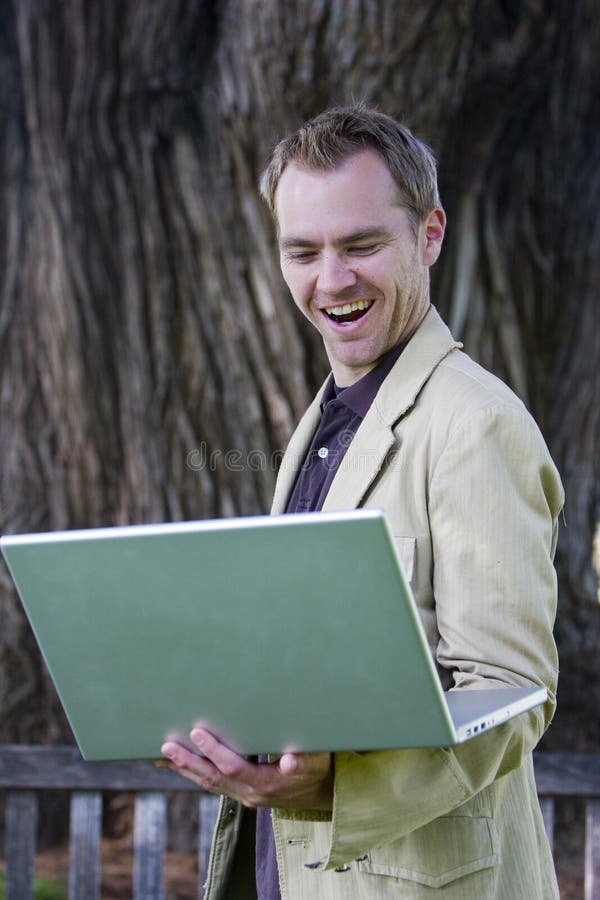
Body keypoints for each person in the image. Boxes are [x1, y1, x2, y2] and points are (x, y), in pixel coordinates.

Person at [160, 105, 564, 899]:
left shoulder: (477, 423)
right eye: (303, 251)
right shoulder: (323, 423)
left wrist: (335, 785)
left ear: (430, 234)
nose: (332, 280)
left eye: (361, 245)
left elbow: (511, 693)